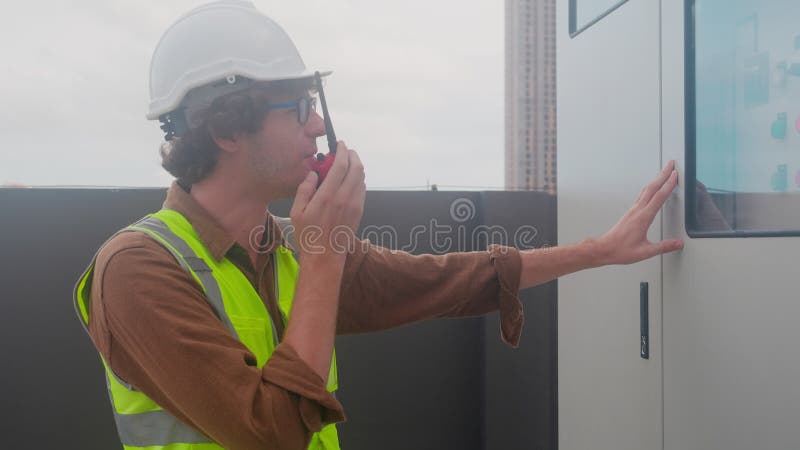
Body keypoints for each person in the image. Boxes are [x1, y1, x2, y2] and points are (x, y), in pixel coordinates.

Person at [73, 2, 684, 449]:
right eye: (300, 109)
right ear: (228, 130)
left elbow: (448, 279)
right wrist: (324, 252)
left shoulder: (283, 246)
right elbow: (272, 431)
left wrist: (600, 251)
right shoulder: (135, 270)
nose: (318, 128)